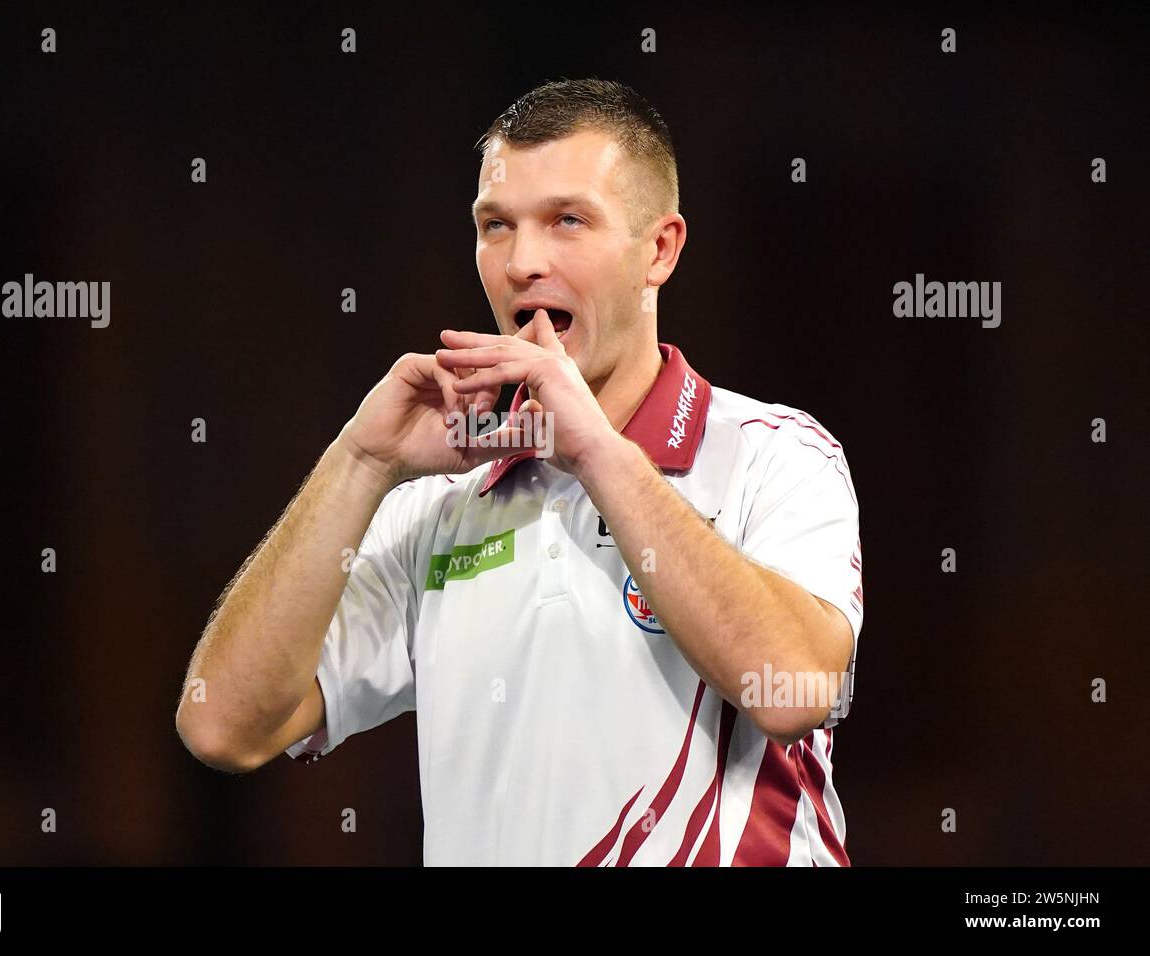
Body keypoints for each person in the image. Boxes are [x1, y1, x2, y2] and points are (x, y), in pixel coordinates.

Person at [177, 78, 864, 866]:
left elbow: (800, 689)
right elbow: (221, 726)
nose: (522, 262)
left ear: (661, 250)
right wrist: (360, 461)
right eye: (495, 226)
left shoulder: (774, 452)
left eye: (567, 220)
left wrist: (601, 455)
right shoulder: (438, 502)